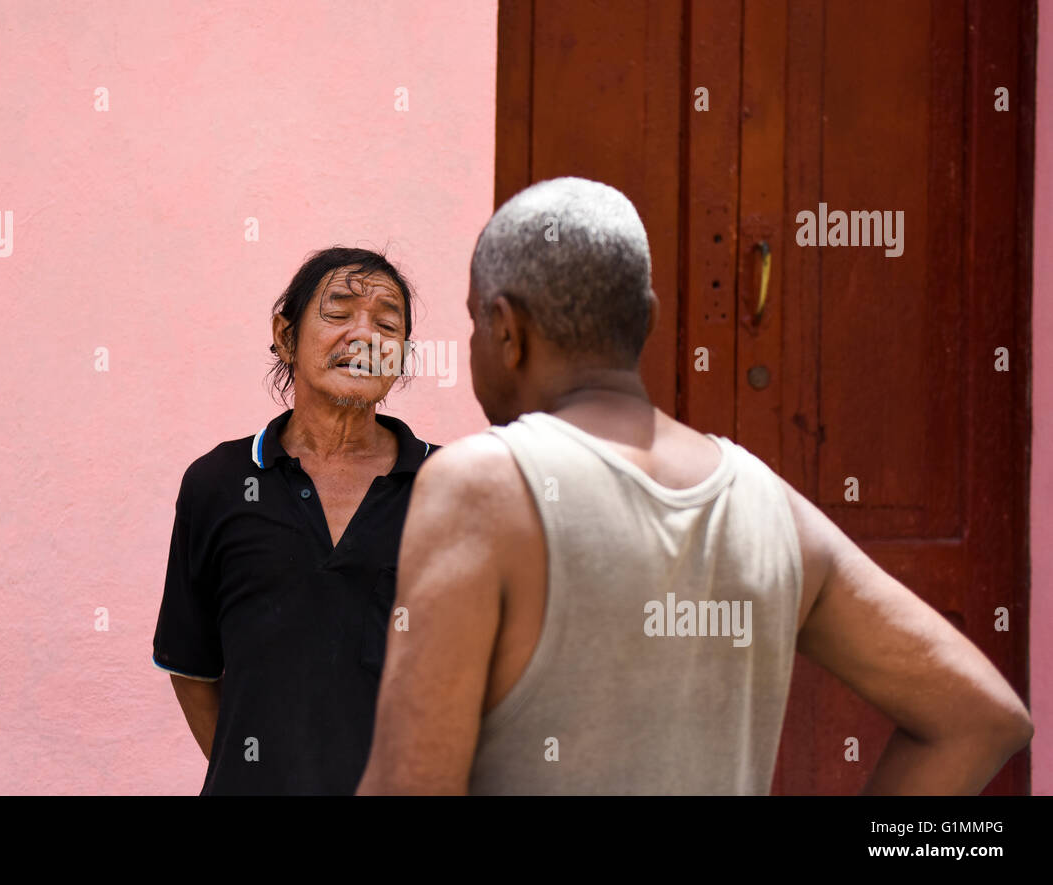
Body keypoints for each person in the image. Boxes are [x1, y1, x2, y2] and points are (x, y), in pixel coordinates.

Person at [357, 177, 1034, 794]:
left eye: (475, 322)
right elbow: (981, 717)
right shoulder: (771, 508)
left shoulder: (481, 487)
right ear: (645, 318)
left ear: (507, 331)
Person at [154, 246, 436, 794]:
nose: (365, 335)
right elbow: (191, 667)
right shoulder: (219, 482)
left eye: (387, 323)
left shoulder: (455, 487)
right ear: (285, 336)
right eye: (338, 313)